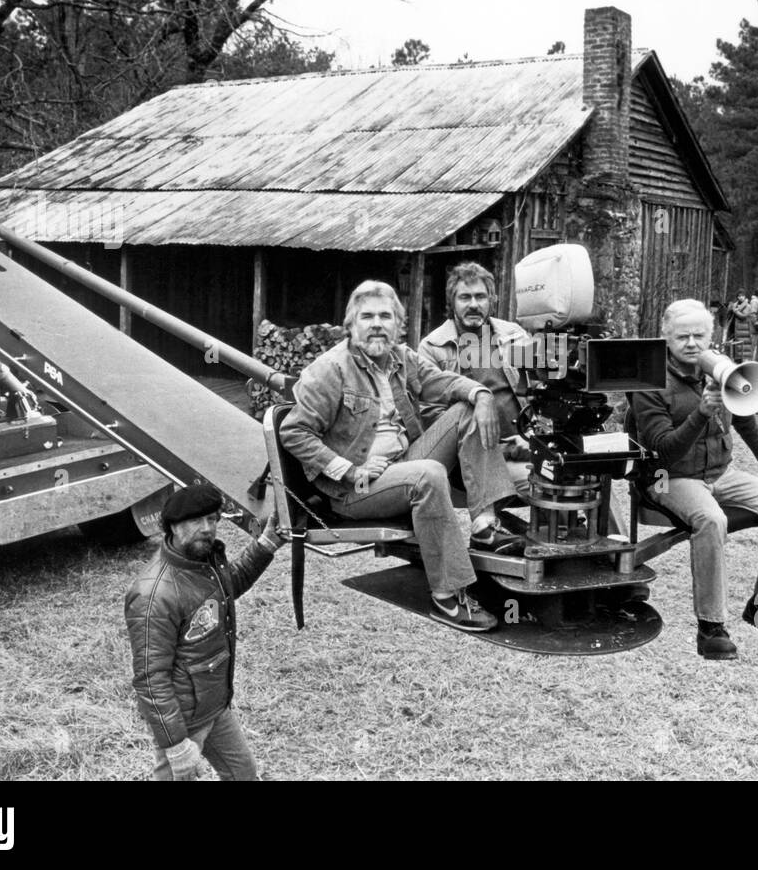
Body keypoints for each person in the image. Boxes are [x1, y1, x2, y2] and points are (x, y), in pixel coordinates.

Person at [281, 280, 520, 633]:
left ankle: (484, 526)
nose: (377, 324)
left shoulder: (401, 358)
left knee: (467, 409)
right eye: (367, 316)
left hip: (402, 463)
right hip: (355, 488)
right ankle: (448, 596)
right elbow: (293, 432)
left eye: (385, 316)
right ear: (351, 325)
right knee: (428, 474)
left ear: (398, 324)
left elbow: (446, 382)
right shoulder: (330, 369)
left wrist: (482, 394)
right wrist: (349, 469)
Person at [629, 299, 758, 661]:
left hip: (720, 473)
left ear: (711, 335)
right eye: (682, 336)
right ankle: (711, 627)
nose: (692, 343)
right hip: (669, 477)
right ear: (665, 337)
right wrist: (701, 413)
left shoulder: (718, 368)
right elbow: (663, 451)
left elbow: (743, 414)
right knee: (711, 520)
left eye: (699, 335)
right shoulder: (649, 381)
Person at [125, 483, 286, 781]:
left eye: (212, 519)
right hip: (182, 720)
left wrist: (266, 545)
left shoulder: (203, 561)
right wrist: (175, 746)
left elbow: (228, 586)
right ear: (172, 526)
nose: (207, 528)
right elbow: (150, 678)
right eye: (196, 521)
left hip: (215, 706)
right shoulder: (154, 594)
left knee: (243, 773)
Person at [418, 261, 533, 498]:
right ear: (452, 302)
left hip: (526, 445)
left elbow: (540, 392)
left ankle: (617, 537)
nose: (473, 304)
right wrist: (503, 448)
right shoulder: (433, 347)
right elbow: (431, 418)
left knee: (587, 475)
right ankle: (563, 533)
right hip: (470, 460)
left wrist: (534, 439)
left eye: (480, 296)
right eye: (464, 297)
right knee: (546, 484)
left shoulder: (514, 336)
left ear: (492, 300)